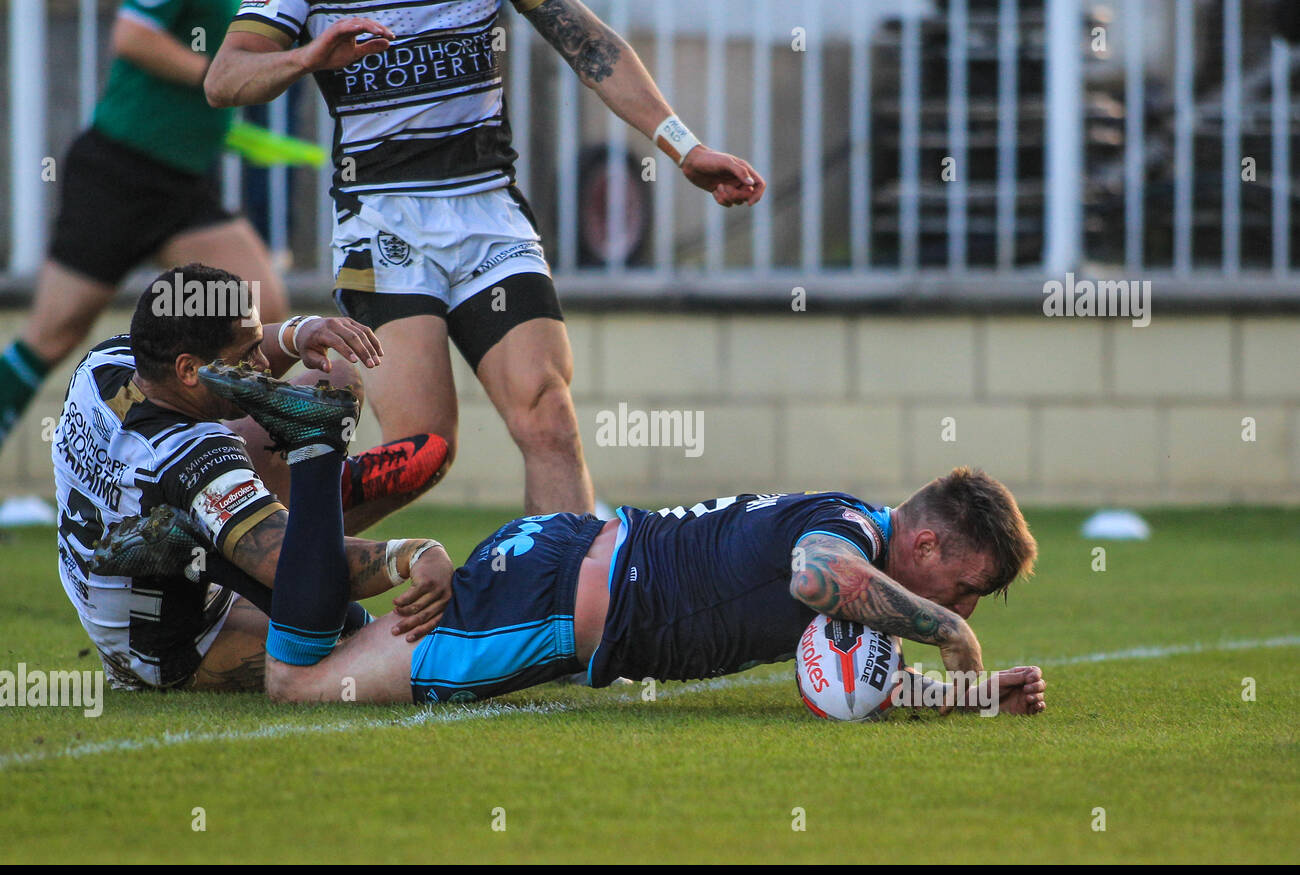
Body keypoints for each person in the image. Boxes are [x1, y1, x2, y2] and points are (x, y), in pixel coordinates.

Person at [105, 363, 1046, 716]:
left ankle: (218, 553)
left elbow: (856, 682)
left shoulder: (860, 548)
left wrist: (973, 699)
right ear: (926, 549)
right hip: (548, 607)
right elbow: (815, 579)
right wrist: (947, 632)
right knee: (299, 684)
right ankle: (311, 453)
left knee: (344, 628)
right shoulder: (844, 535)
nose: (964, 608)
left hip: (557, 562)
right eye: (968, 587)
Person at [203, 0, 768, 517]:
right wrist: (307, 57)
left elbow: (589, 44)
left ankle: (562, 609)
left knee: (548, 420)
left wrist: (684, 146)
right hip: (382, 221)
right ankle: (271, 552)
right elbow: (224, 80)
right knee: (422, 452)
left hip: (489, 211)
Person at [60, 263, 453, 691]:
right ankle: (306, 488)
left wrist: (297, 332)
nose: (264, 364)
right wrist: (413, 554)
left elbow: (227, 356)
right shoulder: (196, 456)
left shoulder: (108, 361)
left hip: (127, 557)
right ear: (189, 370)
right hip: (167, 642)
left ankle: (294, 500)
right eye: (248, 355)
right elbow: (298, 572)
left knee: (331, 377)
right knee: (341, 655)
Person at [0, 0, 287, 450]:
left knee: (259, 314)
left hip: (185, 182)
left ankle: (205, 468)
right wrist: (217, 76)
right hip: (121, 173)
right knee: (51, 337)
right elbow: (133, 37)